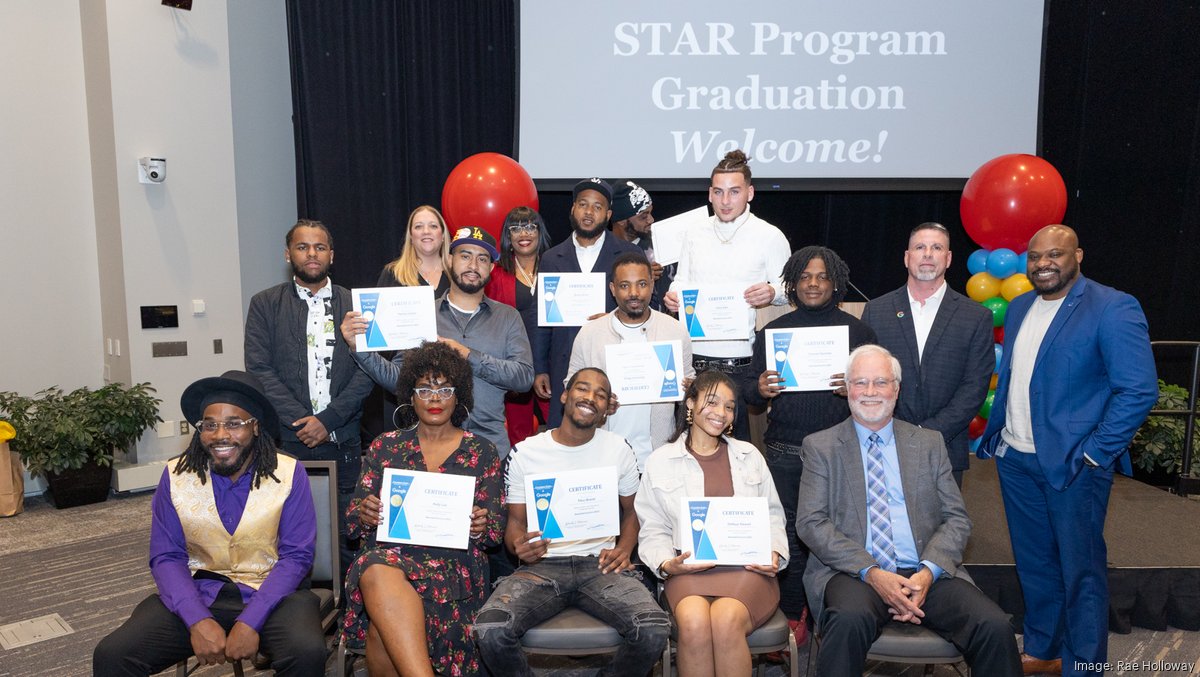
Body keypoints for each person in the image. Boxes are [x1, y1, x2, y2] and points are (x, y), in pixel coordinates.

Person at [978, 225, 1157, 677]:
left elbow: (1137, 390)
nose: (1043, 264)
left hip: (1076, 465)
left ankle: (1086, 665)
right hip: (1015, 460)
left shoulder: (1113, 306)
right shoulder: (1020, 307)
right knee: (1035, 566)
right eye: (1035, 257)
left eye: (1054, 254)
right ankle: (1044, 649)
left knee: (1081, 572)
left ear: (1078, 254)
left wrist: (1096, 453)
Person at [797, 345, 1021, 676]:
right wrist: (872, 572)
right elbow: (812, 523)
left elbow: (956, 519)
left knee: (995, 626)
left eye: (880, 382)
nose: (870, 392)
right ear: (846, 388)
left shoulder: (929, 443)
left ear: (896, 388)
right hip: (853, 572)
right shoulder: (821, 446)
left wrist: (928, 572)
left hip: (925, 572)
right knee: (847, 622)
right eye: (860, 382)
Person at [94, 371, 324, 677]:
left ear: (255, 426)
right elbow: (166, 557)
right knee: (113, 654)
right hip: (198, 592)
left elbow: (297, 557)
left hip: (273, 596)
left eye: (233, 424)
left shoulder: (289, 472)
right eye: (209, 425)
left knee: (307, 653)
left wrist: (250, 621)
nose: (219, 435)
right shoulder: (176, 476)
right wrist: (197, 619)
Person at [473, 368, 670, 677]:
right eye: (582, 388)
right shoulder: (526, 452)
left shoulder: (618, 448)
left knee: (654, 628)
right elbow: (515, 523)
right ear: (565, 396)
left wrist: (625, 547)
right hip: (542, 567)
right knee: (491, 629)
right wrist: (518, 545)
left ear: (607, 409)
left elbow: (633, 513)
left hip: (601, 566)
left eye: (601, 394)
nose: (590, 397)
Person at [340, 342, 503, 676]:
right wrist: (365, 512)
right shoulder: (386, 446)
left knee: (382, 625)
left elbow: (494, 535)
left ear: (459, 396)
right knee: (377, 568)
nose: (434, 398)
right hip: (391, 559)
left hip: (453, 568)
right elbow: (353, 522)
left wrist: (481, 525)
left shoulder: (482, 451)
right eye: (424, 389)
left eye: (444, 389)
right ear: (409, 396)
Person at [742, 245, 876, 635]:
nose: (813, 284)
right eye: (804, 277)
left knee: (837, 535)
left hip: (841, 454)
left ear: (835, 282)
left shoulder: (859, 333)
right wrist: (761, 387)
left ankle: (831, 613)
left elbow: (878, 393)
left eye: (821, 276)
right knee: (789, 536)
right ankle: (792, 613)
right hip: (786, 452)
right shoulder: (774, 331)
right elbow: (749, 390)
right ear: (792, 283)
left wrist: (854, 388)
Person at [636, 370, 789, 677]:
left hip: (748, 572)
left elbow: (773, 515)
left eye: (729, 407)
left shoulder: (750, 456)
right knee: (693, 622)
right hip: (689, 571)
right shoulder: (660, 460)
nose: (721, 413)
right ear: (690, 404)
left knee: (725, 619)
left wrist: (774, 553)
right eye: (712, 402)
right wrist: (668, 564)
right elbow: (653, 528)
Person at [244, 219, 375, 572]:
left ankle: (350, 620)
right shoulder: (264, 304)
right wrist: (304, 421)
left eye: (319, 247)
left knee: (349, 534)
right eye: (303, 247)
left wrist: (327, 421)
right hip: (288, 440)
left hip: (343, 439)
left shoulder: (357, 305)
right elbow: (259, 370)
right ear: (288, 255)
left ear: (332, 255)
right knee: (288, 535)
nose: (311, 253)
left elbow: (369, 371)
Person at [342, 226, 533, 458]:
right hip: (429, 451)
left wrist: (469, 355)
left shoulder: (508, 317)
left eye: (482, 259)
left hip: (490, 450)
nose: (473, 266)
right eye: (465, 256)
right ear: (449, 260)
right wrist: (359, 348)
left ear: (491, 267)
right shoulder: (422, 314)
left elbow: (524, 378)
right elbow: (398, 380)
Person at [665, 149, 791, 440]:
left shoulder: (769, 235)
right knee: (687, 444)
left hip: (740, 364)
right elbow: (682, 281)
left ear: (750, 192)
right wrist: (673, 295)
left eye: (734, 192)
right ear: (709, 194)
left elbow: (790, 288)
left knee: (733, 449)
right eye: (718, 192)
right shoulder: (694, 233)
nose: (725, 201)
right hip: (693, 359)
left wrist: (773, 291)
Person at [861, 222, 994, 487]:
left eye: (937, 248)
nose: (928, 254)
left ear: (948, 258)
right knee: (885, 526)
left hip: (945, 447)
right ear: (907, 257)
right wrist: (894, 431)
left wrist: (927, 433)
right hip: (885, 443)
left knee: (943, 528)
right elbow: (866, 378)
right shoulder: (876, 311)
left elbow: (975, 386)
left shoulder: (975, 317)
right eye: (920, 247)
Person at [567, 251, 695, 470]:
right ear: (613, 289)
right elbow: (570, 386)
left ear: (653, 285)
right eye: (625, 286)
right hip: (602, 455)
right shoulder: (590, 334)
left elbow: (689, 388)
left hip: (657, 455)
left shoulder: (675, 330)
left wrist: (692, 390)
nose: (634, 293)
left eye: (642, 284)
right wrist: (597, 401)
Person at [534, 178, 642, 426]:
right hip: (564, 364)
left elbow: (649, 306)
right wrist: (540, 367)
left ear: (609, 214)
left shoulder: (629, 254)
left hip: (614, 362)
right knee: (566, 437)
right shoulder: (552, 258)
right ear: (573, 209)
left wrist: (617, 317)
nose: (589, 212)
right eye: (583, 204)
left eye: (597, 206)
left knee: (614, 438)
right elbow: (540, 317)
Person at [485, 206, 552, 447]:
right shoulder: (497, 274)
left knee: (559, 427)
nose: (524, 234)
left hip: (551, 362)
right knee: (518, 436)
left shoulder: (555, 266)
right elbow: (491, 323)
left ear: (539, 232)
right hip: (514, 365)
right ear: (508, 236)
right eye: (516, 228)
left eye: (530, 227)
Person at [609, 180, 672, 311]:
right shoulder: (601, 250)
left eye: (650, 213)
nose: (651, 220)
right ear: (621, 221)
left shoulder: (661, 247)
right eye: (643, 217)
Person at [377, 205, 452, 296]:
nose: (426, 231)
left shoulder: (456, 273)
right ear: (411, 236)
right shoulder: (393, 274)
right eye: (418, 226)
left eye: (433, 226)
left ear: (443, 235)